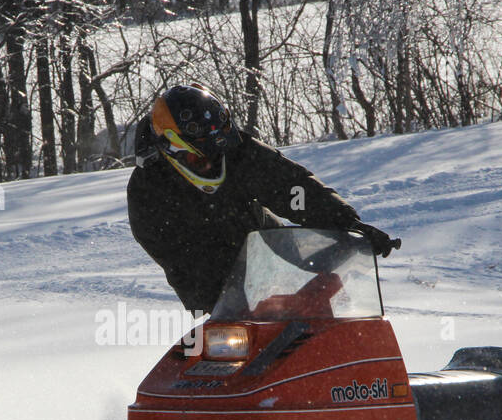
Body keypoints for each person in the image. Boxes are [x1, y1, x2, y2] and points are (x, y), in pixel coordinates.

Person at [126, 83, 397, 313]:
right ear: (171, 149)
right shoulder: (148, 193)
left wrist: (348, 224)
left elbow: (292, 187)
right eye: (198, 157)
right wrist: (226, 305)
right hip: (214, 285)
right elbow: (181, 264)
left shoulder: (238, 152)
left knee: (323, 296)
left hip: (265, 241)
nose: (210, 163)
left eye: (217, 153)